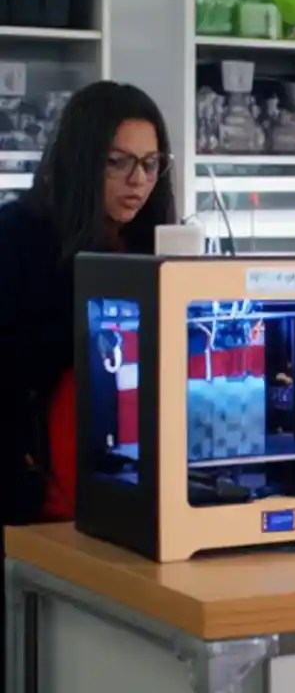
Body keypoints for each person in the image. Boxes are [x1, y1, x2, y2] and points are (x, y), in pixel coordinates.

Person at [1, 81, 175, 529]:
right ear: (81, 161)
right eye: (118, 163)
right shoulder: (18, 237)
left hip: (129, 489)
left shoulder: (151, 244)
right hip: (33, 500)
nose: (138, 180)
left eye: (151, 164)